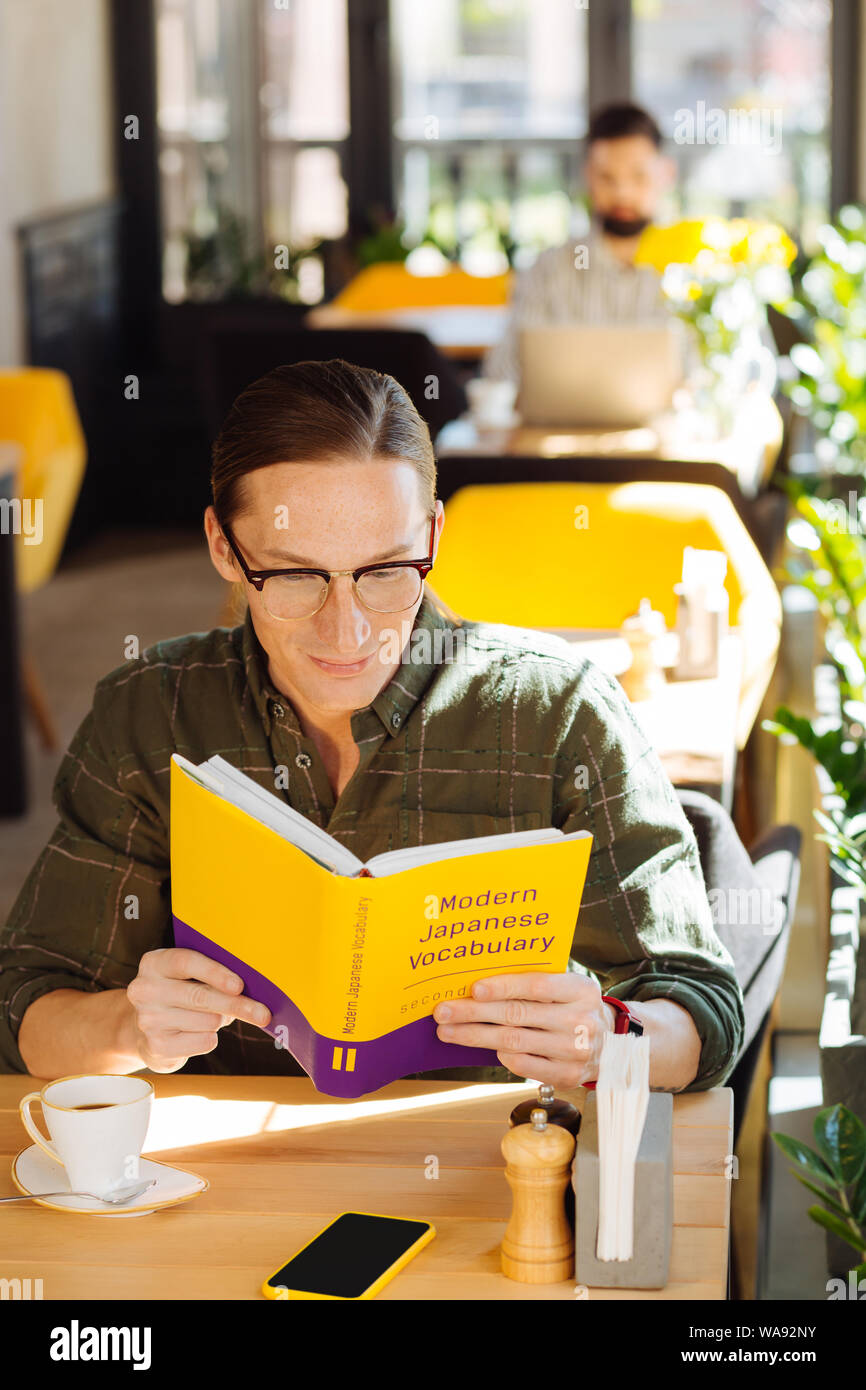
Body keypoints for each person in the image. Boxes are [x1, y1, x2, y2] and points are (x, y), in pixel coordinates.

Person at [1, 359, 744, 1090]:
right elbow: (23, 1008)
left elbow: (702, 1014)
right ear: (224, 547)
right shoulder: (149, 709)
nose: (349, 630)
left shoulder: (558, 709)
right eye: (296, 576)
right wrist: (130, 1029)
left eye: (387, 571)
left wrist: (609, 1039)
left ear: (433, 536)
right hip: (218, 1180)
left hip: (499, 1171)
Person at [482, 102, 680, 386]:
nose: (622, 193)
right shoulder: (548, 270)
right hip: (562, 427)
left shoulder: (700, 270)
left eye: (638, 176)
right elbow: (502, 375)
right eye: (607, 177)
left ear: (666, 174)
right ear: (588, 176)